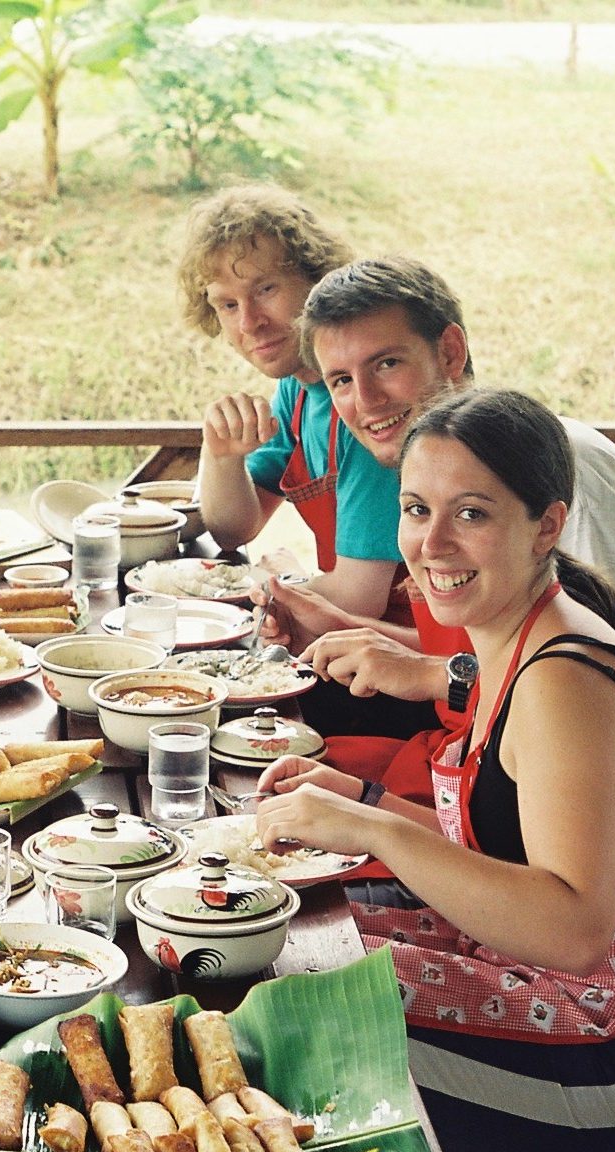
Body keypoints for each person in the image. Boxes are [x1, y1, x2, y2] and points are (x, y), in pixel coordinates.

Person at [254, 389, 615, 1152]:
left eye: (470, 513)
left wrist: (372, 824)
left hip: (613, 1050)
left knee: (292, 1031)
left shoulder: (563, 679)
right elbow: (499, 843)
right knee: (284, 938)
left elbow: (574, 927)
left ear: (545, 525)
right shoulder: (519, 634)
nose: (429, 543)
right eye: (414, 508)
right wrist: (365, 799)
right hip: (547, 978)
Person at [265, 256, 615, 799]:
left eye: (385, 364)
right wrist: (338, 624)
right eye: (341, 380)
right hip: (469, 757)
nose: (364, 401)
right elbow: (497, 650)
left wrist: (435, 676)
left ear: (450, 351)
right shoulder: (433, 469)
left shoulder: (570, 466)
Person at [178, 184, 432, 738]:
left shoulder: (370, 416)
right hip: (356, 655)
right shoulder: (299, 392)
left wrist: (270, 587)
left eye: (265, 289)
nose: (249, 321)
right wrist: (219, 454)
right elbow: (233, 526)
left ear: (317, 283)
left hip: (408, 681)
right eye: (226, 304)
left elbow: (359, 594)